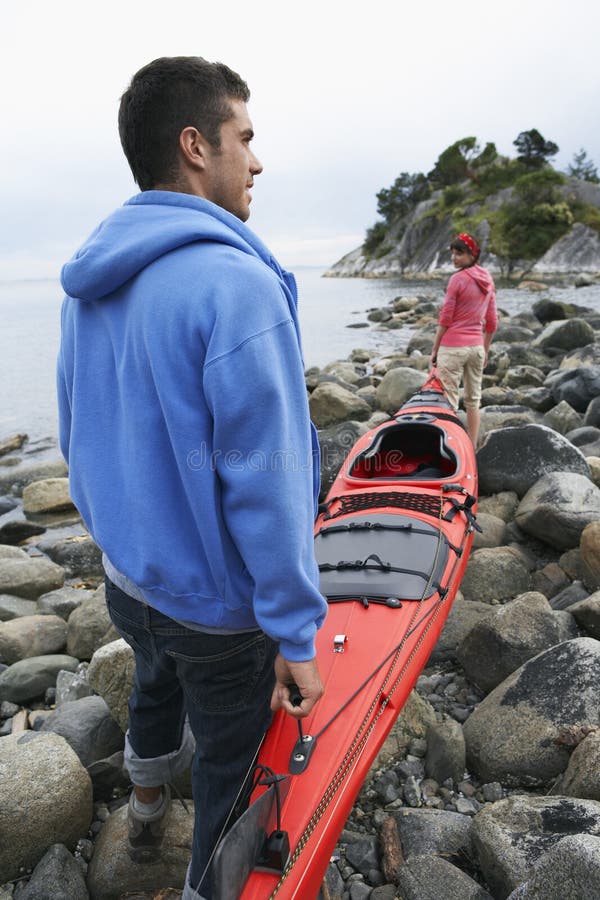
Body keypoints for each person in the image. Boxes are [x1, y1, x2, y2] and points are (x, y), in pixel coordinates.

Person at [56, 56, 327, 900]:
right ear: (194, 147)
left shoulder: (89, 280)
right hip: (214, 610)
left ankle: (140, 811)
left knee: (151, 683)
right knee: (230, 770)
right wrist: (293, 634)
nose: (256, 160)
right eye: (244, 138)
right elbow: (269, 479)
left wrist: (119, 539)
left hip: (129, 578)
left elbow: (77, 429)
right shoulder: (236, 286)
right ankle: (207, 885)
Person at [429, 232, 498, 446]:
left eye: (459, 253)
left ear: (472, 254)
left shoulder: (457, 279)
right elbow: (492, 320)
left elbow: (446, 317)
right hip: (476, 348)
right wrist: (485, 349)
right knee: (473, 401)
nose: (454, 258)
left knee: (448, 403)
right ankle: (471, 447)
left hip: (453, 348)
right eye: (452, 253)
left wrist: (435, 348)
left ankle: (450, 448)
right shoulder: (487, 279)